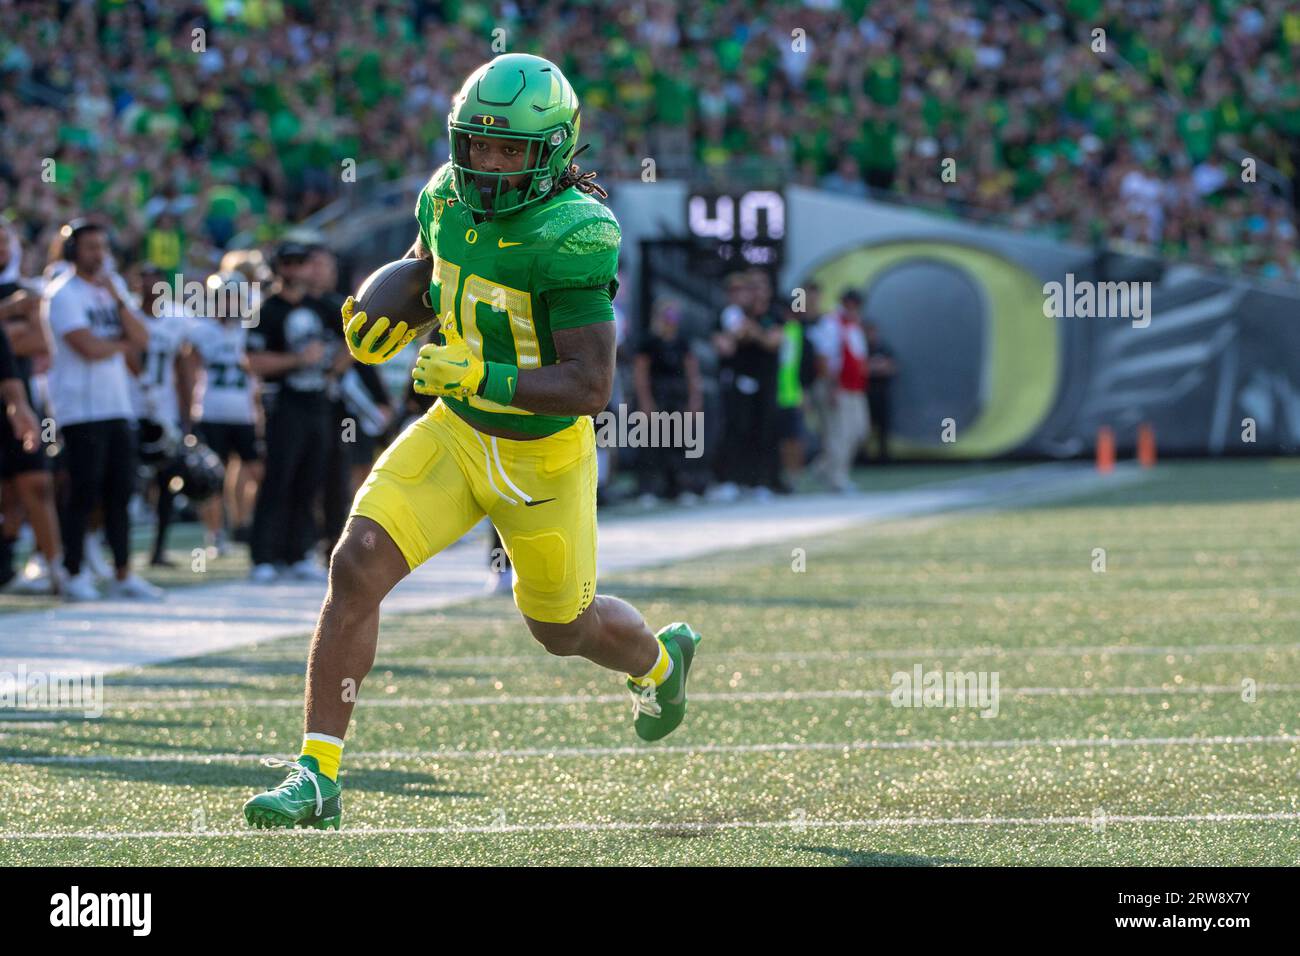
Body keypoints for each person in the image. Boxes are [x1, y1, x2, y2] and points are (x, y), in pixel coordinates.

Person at [243, 54, 701, 832]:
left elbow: (591, 386)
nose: (488, 163)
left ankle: (659, 662)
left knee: (564, 631)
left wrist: (484, 373)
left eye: (509, 149)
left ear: (554, 150)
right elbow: (431, 270)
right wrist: (384, 307)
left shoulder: (577, 232)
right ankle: (317, 775)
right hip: (454, 434)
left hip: (543, 458)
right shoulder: (444, 195)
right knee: (354, 566)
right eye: (477, 144)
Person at [43, 220, 163, 601]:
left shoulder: (113, 292)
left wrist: (118, 301)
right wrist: (120, 342)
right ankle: (73, 570)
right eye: (90, 246)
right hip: (79, 409)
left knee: (120, 492)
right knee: (83, 492)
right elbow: (87, 348)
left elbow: (142, 339)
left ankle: (123, 572)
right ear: (72, 251)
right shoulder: (62, 294)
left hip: (118, 406)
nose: (98, 254)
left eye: (102, 246)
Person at [245, 239, 347, 582]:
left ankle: (299, 551)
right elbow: (253, 361)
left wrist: (333, 366)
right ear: (278, 267)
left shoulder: (322, 307)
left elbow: (355, 341)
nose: (295, 270)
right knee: (278, 478)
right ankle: (264, 556)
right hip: (284, 405)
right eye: (288, 263)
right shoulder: (267, 310)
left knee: (311, 478)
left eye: (301, 262)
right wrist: (299, 360)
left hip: (318, 403)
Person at [0, 220, 60, 594]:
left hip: (16, 398)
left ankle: (55, 568)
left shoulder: (28, 292)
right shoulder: (16, 302)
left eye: (5, 240)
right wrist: (8, 316)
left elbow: (40, 342)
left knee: (35, 483)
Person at [191, 272, 263, 556]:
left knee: (255, 471)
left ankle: (243, 523)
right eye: (224, 298)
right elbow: (186, 369)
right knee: (212, 478)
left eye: (234, 297)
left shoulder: (249, 329)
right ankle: (215, 534)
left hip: (243, 413)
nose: (229, 303)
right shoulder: (201, 330)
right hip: (210, 411)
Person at [633, 298, 702, 504]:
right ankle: (649, 489)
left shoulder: (682, 341)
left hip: (677, 396)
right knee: (651, 442)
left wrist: (694, 399)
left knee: (678, 442)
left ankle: (678, 488)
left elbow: (692, 372)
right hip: (657, 394)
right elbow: (641, 373)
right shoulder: (649, 341)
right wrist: (645, 402)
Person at [811, 289, 870, 493]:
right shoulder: (831, 323)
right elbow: (824, 357)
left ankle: (822, 467)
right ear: (845, 303)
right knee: (839, 434)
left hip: (855, 388)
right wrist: (832, 386)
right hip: (837, 386)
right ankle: (837, 479)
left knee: (859, 430)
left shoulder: (854, 325)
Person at [864, 320, 898, 462]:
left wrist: (872, 368)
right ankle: (863, 455)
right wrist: (876, 367)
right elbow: (861, 369)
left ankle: (883, 454)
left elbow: (892, 367)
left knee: (883, 425)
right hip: (866, 393)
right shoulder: (861, 348)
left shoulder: (884, 348)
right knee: (865, 426)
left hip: (882, 392)